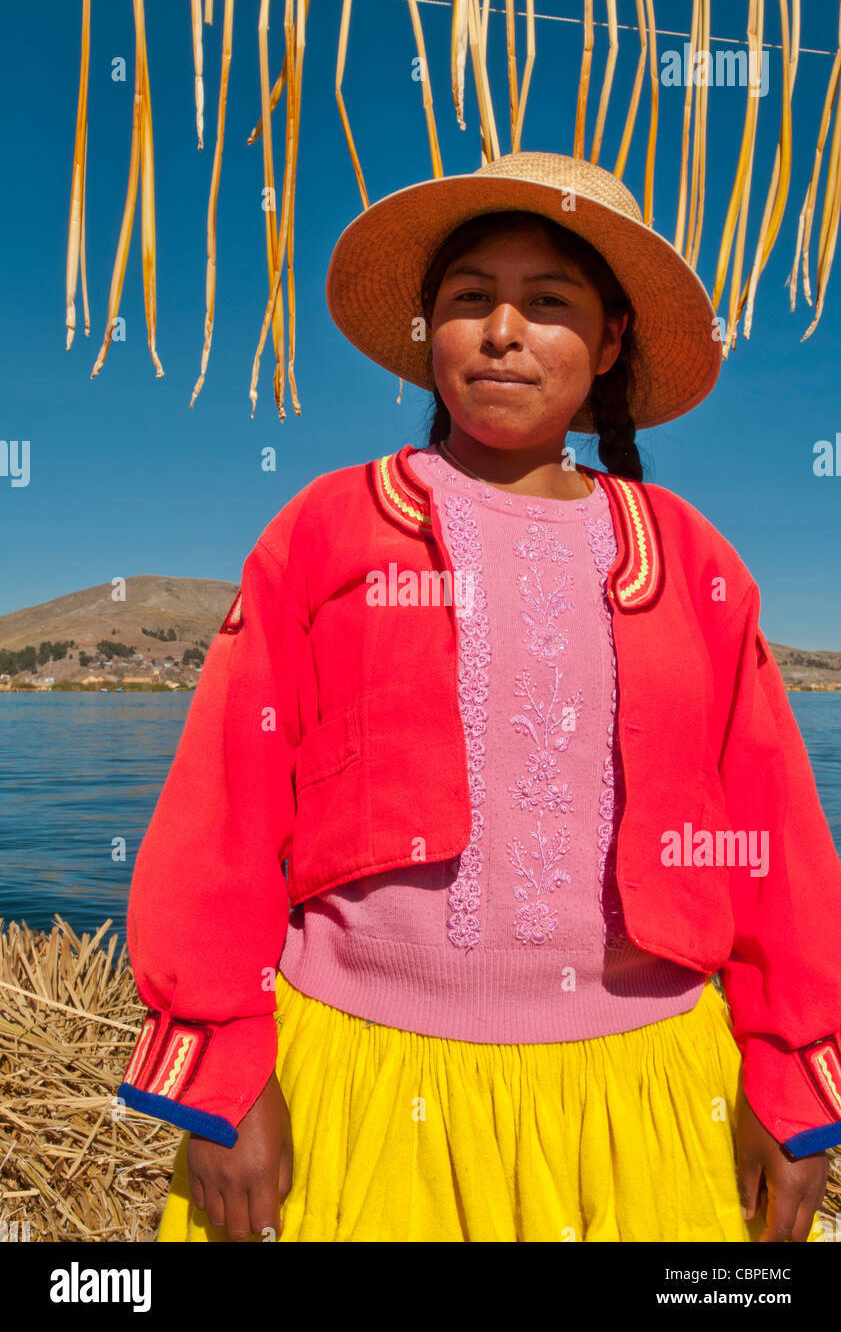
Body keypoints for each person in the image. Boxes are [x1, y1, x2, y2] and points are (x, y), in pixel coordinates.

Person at [117, 151, 841, 1243]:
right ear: (428, 337)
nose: (504, 330)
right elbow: (224, 810)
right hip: (357, 1087)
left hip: (643, 1097)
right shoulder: (327, 529)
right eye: (470, 300)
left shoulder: (691, 561)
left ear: (607, 344)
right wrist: (221, 1067)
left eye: (548, 303)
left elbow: (768, 834)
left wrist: (789, 1088)